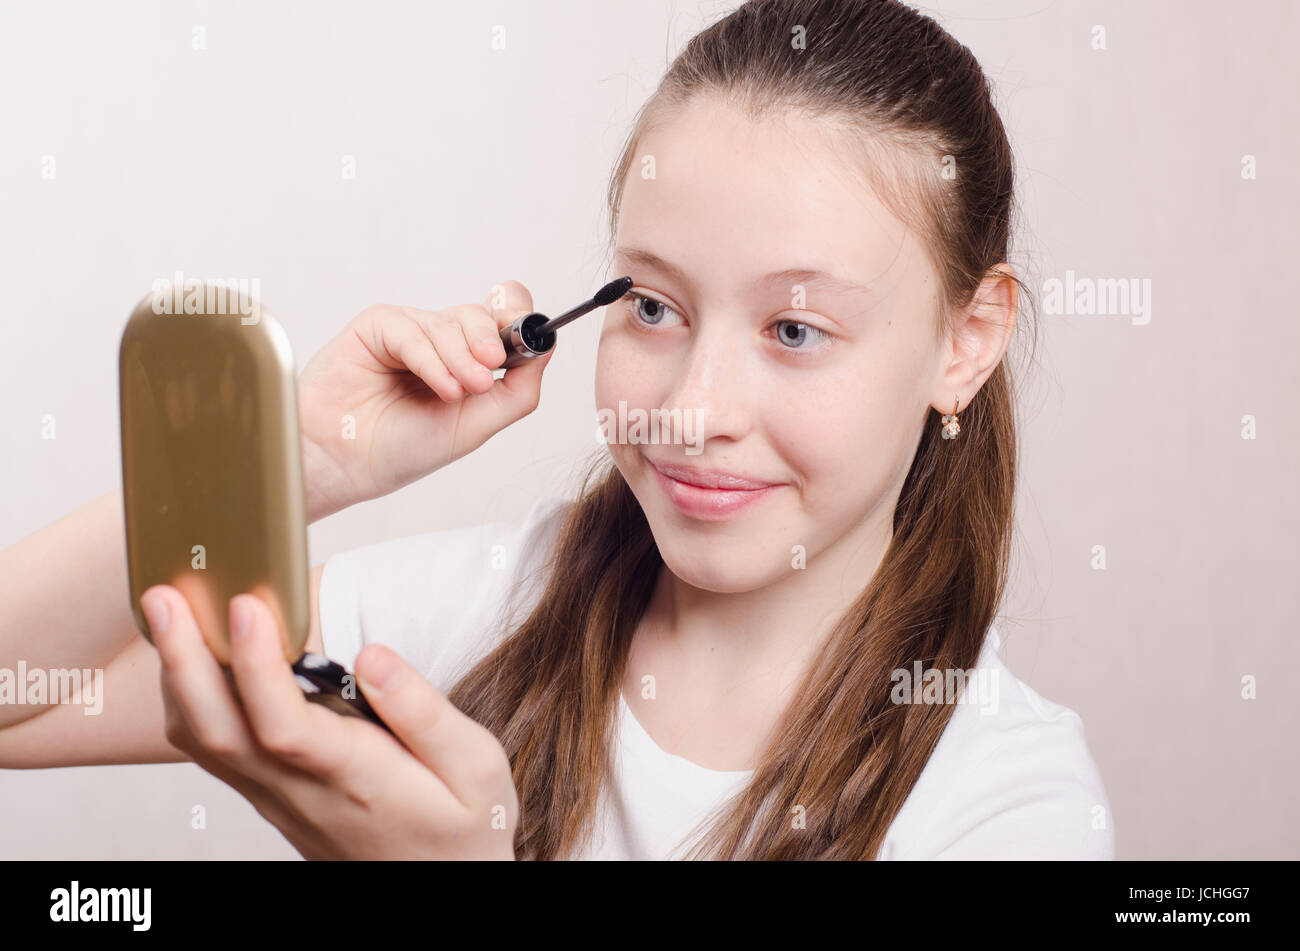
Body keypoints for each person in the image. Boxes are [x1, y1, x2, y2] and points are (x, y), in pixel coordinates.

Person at [0, 0, 1113, 860]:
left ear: (966, 340)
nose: (687, 412)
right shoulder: (503, 601)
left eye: (794, 328)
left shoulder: (1007, 806)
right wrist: (299, 467)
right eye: (652, 306)